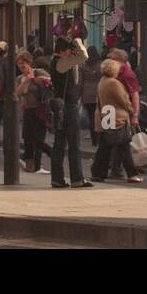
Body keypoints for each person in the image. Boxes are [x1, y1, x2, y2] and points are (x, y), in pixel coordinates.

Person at [90, 59, 144, 183]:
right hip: (117, 118)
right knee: (123, 145)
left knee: (105, 146)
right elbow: (123, 100)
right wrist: (132, 111)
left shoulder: (102, 81)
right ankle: (132, 174)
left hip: (107, 116)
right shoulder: (114, 83)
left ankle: (98, 172)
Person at [50, 36, 93, 188]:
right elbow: (84, 55)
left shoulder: (56, 63)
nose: (70, 53)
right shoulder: (62, 63)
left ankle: (57, 178)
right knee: (74, 144)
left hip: (61, 107)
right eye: (68, 50)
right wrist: (77, 40)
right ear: (62, 51)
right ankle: (77, 178)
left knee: (59, 144)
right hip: (69, 107)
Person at [16, 52, 53, 174]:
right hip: (28, 111)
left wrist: (40, 80)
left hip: (40, 110)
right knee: (27, 138)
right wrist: (25, 81)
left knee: (38, 140)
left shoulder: (39, 72)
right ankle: (30, 165)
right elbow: (17, 93)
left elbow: (51, 82)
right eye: (19, 63)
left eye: (24, 63)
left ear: (29, 63)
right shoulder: (20, 78)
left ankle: (52, 156)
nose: (21, 66)